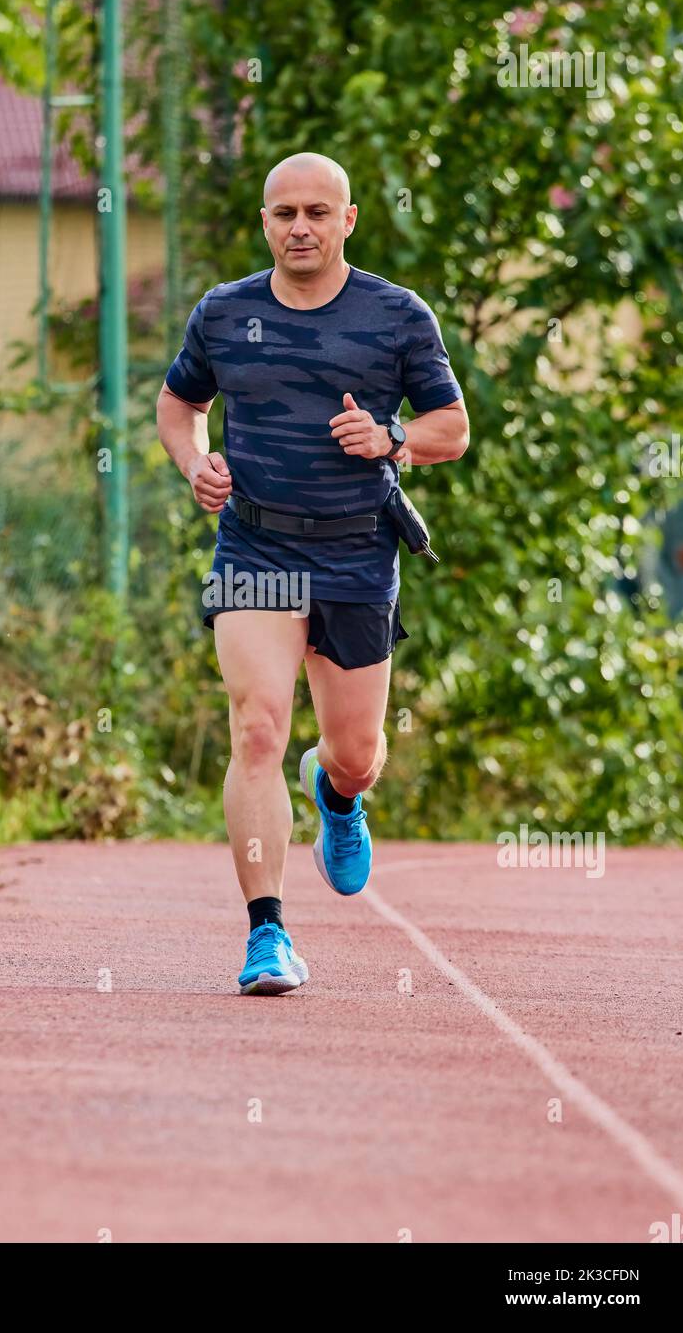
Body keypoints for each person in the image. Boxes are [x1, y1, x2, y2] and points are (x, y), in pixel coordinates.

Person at [156, 152, 469, 994]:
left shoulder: (395, 316)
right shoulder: (224, 314)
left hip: (355, 551)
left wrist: (393, 440)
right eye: (283, 213)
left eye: (316, 213)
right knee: (256, 726)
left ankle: (338, 797)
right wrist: (193, 464)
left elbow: (452, 426)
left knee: (357, 754)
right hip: (256, 546)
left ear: (347, 220)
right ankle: (267, 935)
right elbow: (179, 401)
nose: (299, 227)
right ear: (264, 223)